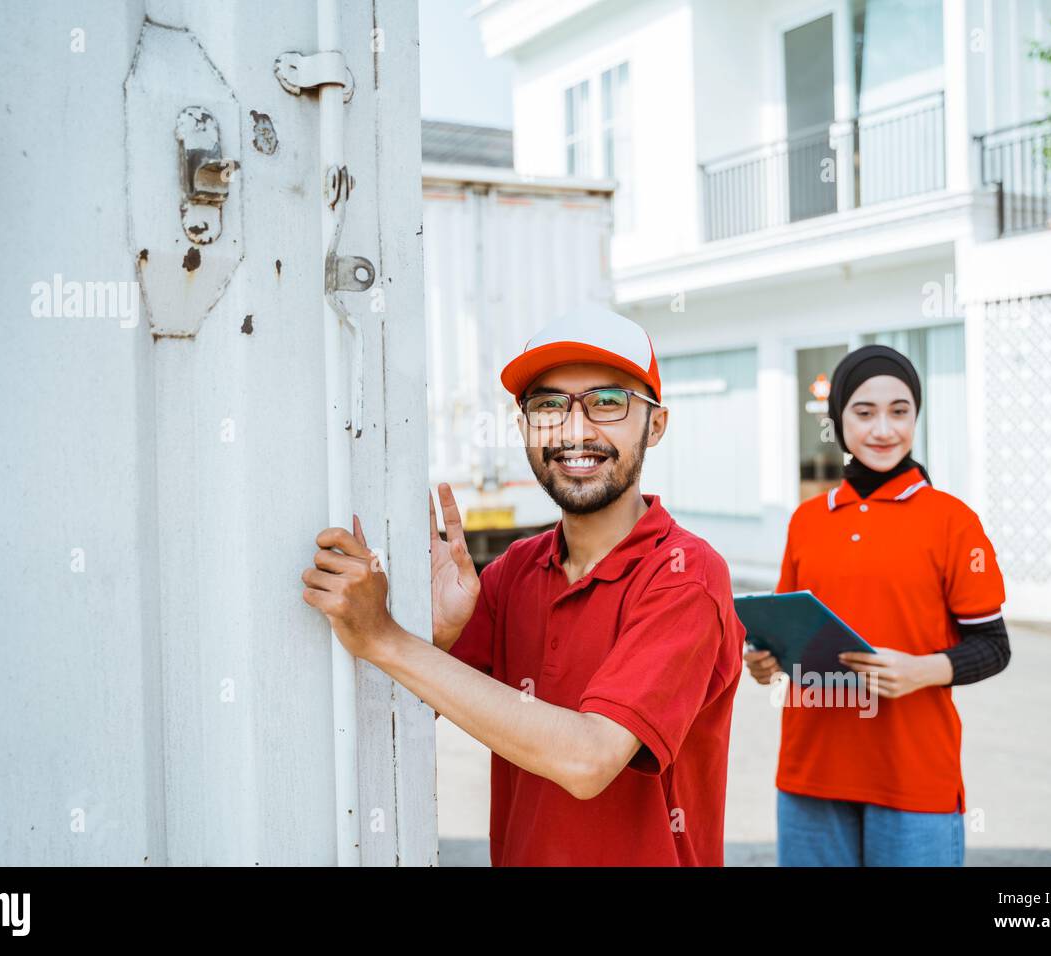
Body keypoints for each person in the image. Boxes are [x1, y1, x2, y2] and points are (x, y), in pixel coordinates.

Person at [300, 305, 745, 866]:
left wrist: (387, 638)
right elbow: (405, 712)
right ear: (524, 428)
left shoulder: (686, 575)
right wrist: (438, 635)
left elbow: (589, 760)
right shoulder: (514, 571)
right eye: (549, 406)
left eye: (608, 402)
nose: (575, 430)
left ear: (655, 424)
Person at [744, 344, 1011, 866]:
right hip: (811, 770)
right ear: (838, 420)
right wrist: (765, 660)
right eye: (864, 413)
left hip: (912, 775)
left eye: (900, 411)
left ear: (916, 417)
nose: (883, 429)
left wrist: (922, 670)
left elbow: (994, 646)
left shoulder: (953, 520)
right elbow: (783, 630)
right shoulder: (807, 520)